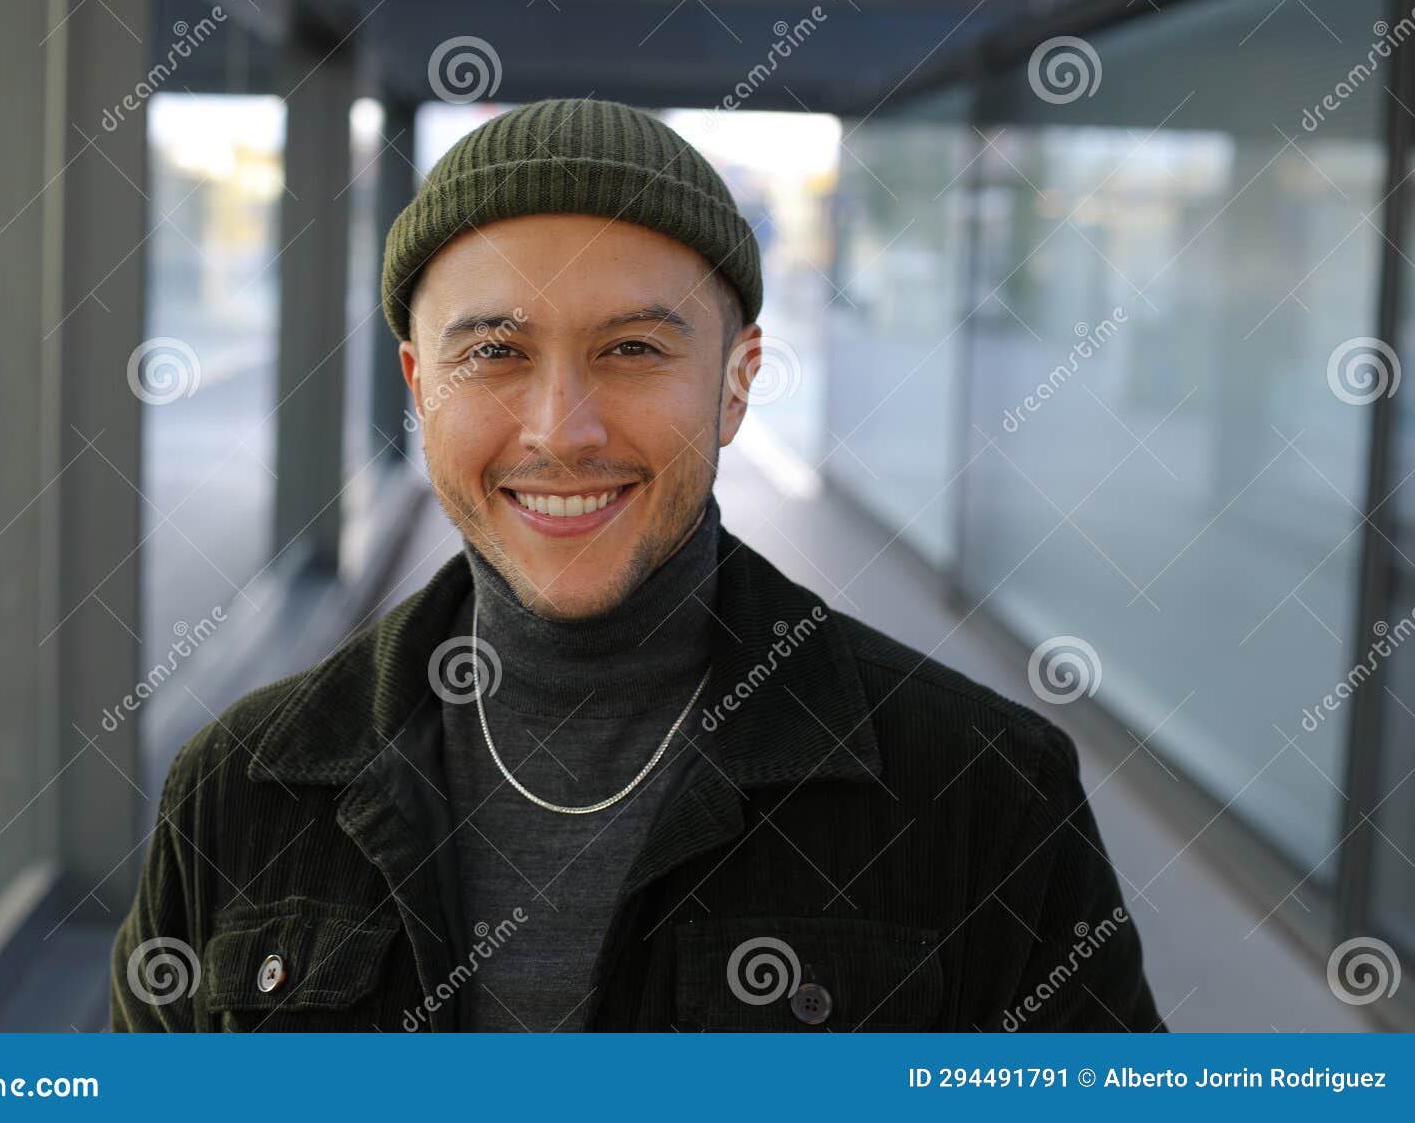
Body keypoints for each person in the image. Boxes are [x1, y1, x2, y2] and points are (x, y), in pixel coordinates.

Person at [109, 97, 1160, 1032]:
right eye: (493, 352)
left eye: (633, 349)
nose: (560, 431)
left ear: (736, 383)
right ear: (417, 384)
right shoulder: (241, 787)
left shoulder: (981, 792)